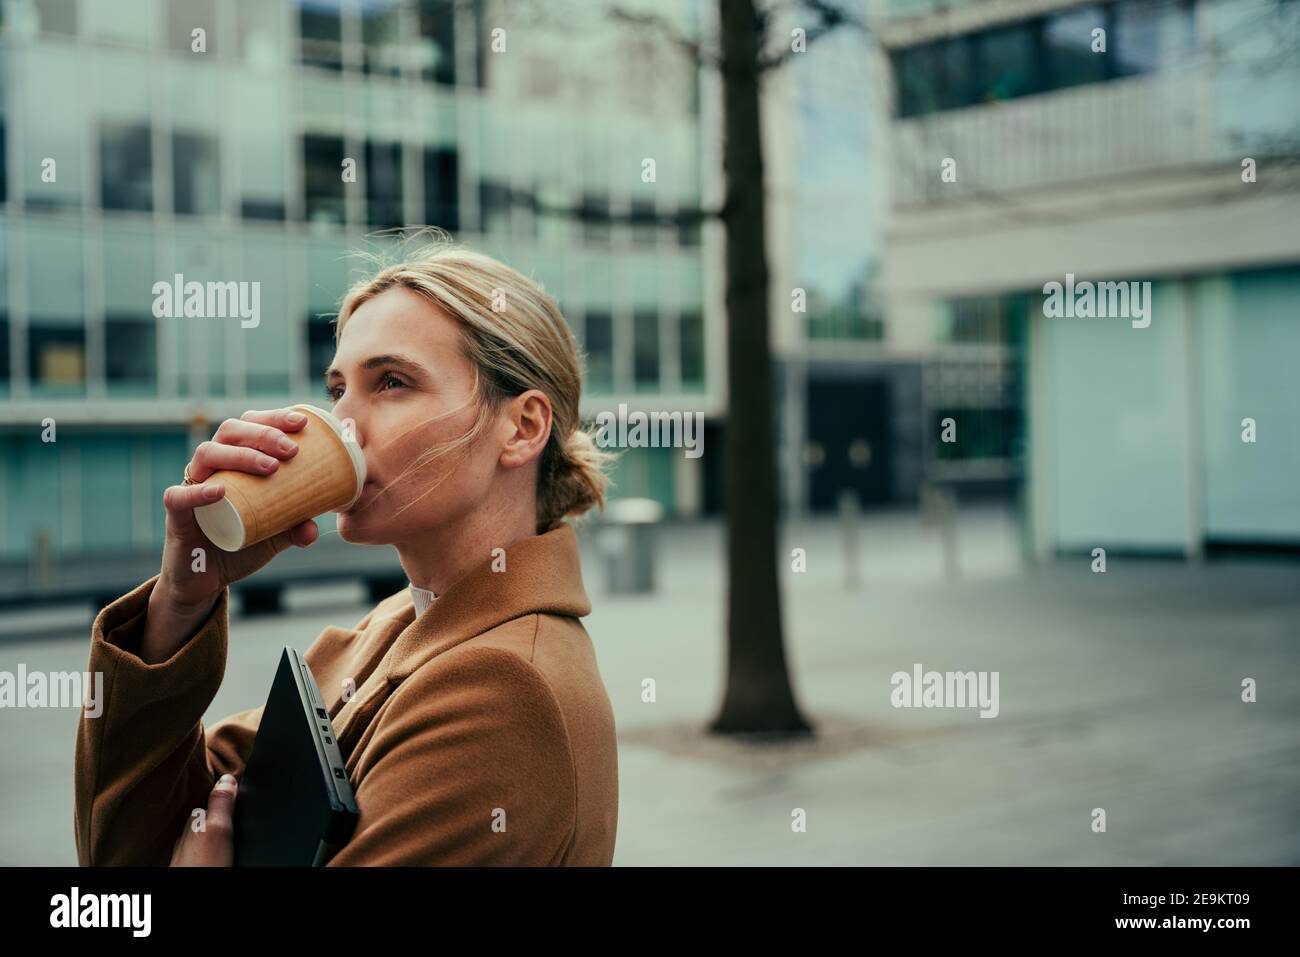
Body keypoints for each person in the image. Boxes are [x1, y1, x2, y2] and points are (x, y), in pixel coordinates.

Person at [74, 239, 620, 866]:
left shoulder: (502, 690)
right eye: (338, 388)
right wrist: (182, 597)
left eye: (391, 382)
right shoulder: (391, 628)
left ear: (521, 428)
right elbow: (122, 849)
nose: (342, 425)